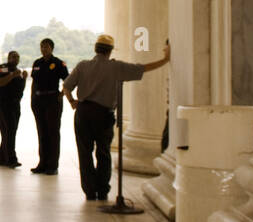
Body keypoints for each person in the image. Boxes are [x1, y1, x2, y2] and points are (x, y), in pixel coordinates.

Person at [62, 33, 171, 200]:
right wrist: (164, 60)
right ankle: (103, 190)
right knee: (104, 152)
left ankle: (90, 191)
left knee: (84, 153)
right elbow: (141, 68)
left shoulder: (83, 66)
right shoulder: (116, 67)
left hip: (83, 113)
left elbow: (66, 86)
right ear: (110, 51)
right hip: (103, 115)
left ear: (95, 49)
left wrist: (72, 102)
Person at [30, 37, 69, 174]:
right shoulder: (37, 63)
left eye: (46, 46)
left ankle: (52, 165)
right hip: (39, 100)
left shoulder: (58, 63)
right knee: (42, 132)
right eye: (42, 46)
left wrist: (62, 94)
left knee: (53, 133)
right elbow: (34, 83)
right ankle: (42, 163)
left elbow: (68, 82)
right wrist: (32, 100)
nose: (43, 49)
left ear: (52, 48)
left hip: (53, 100)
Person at [0, 50, 27, 167]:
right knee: (9, 130)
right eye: (13, 57)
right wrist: (12, 75)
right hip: (2, 103)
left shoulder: (18, 71)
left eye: (17, 57)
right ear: (8, 58)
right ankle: (11, 159)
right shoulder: (2, 68)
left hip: (15, 104)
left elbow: (21, 89)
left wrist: (24, 79)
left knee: (10, 131)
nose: (15, 59)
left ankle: (2, 158)